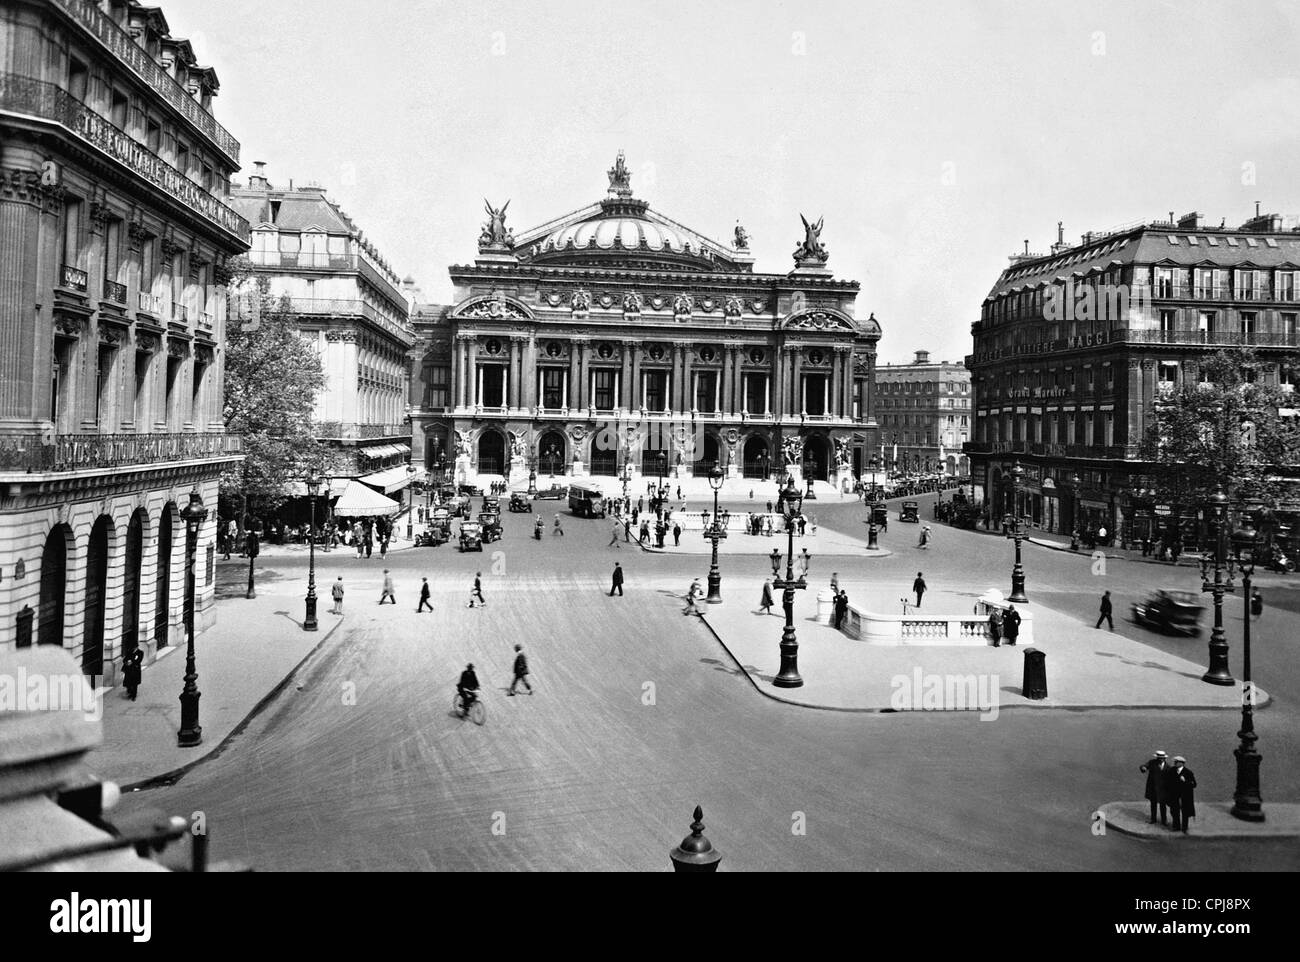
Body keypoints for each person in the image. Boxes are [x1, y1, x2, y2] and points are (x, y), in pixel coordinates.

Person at [1166, 756, 1197, 833]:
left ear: (1182, 763)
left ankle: (1184, 828)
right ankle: (1176, 826)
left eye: (1176, 762)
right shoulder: (1172, 770)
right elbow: (1167, 781)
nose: (1175, 763)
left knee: (1185, 812)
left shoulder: (1188, 772)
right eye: (1175, 762)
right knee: (1174, 811)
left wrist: (1185, 781)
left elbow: (1194, 784)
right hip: (1174, 795)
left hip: (1184, 796)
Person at [1140, 750, 1169, 826]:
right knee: (1153, 804)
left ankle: (1164, 820)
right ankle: (1153, 819)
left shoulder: (1167, 766)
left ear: (1164, 758)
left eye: (1162, 758)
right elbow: (1144, 766)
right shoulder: (1152, 762)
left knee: (1163, 805)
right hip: (1153, 788)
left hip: (1162, 789)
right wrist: (1143, 768)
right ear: (1157, 758)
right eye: (1159, 758)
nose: (1160, 759)